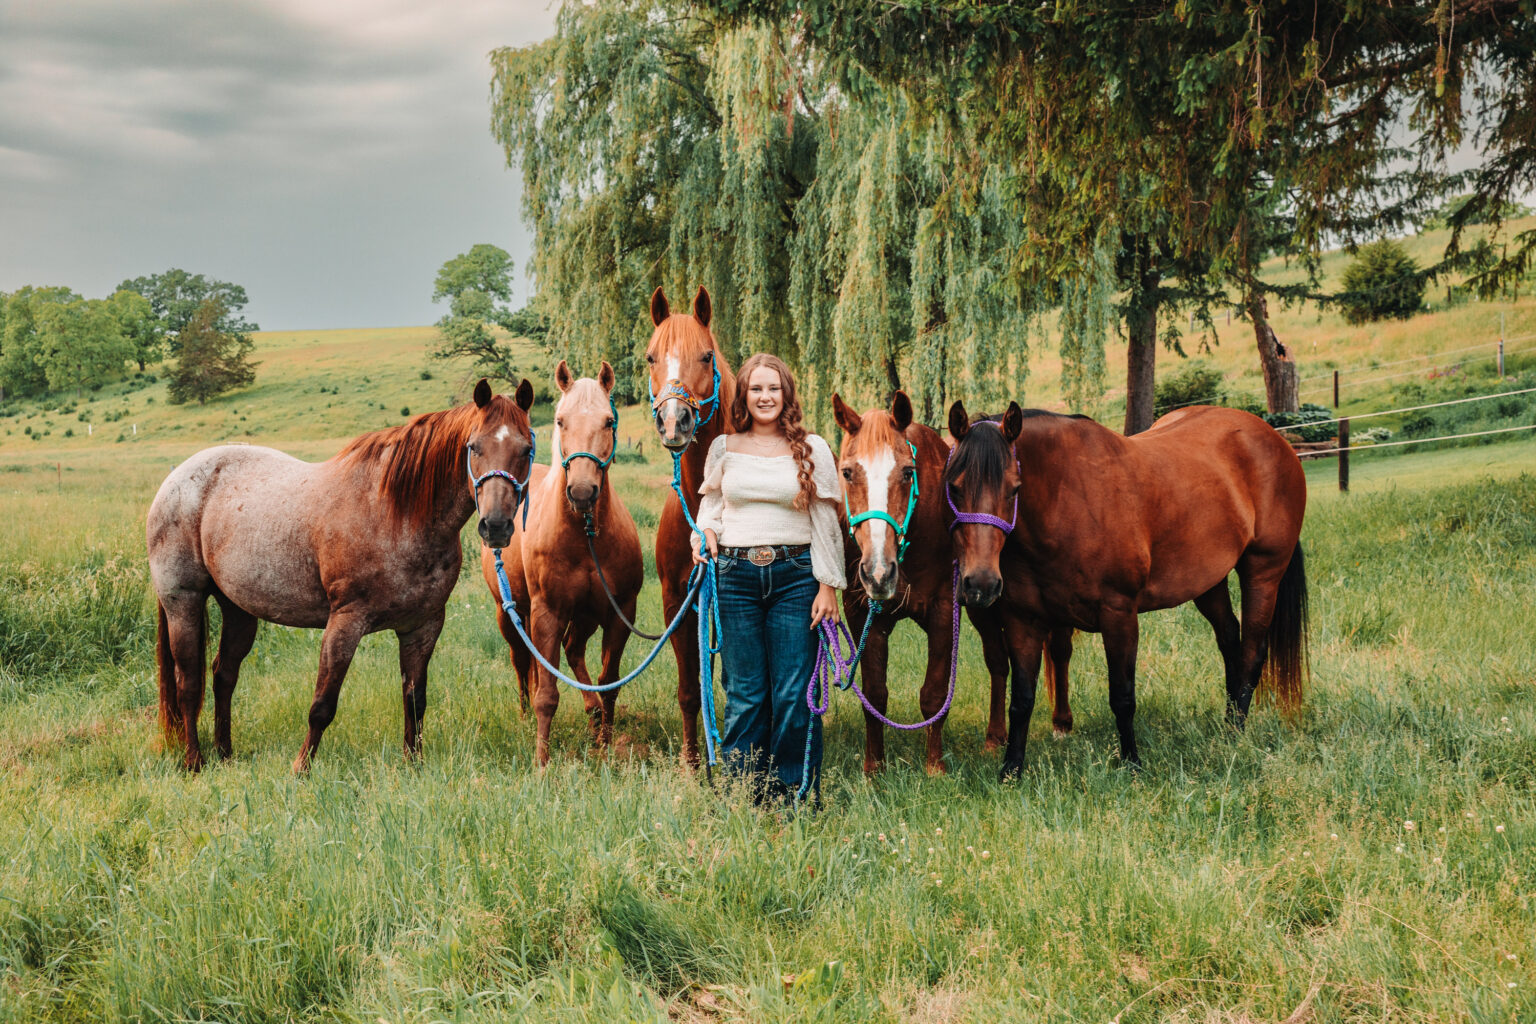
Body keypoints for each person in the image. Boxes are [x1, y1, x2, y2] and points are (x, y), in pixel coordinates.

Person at [694, 353, 846, 802]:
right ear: (744, 395)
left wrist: (828, 586)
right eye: (756, 389)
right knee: (745, 693)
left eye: (773, 388)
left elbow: (825, 522)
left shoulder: (812, 448)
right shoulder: (724, 447)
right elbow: (713, 509)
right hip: (735, 576)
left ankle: (792, 792)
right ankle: (743, 792)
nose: (765, 397)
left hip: (795, 577)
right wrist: (705, 533)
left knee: (793, 692)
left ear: (787, 394)